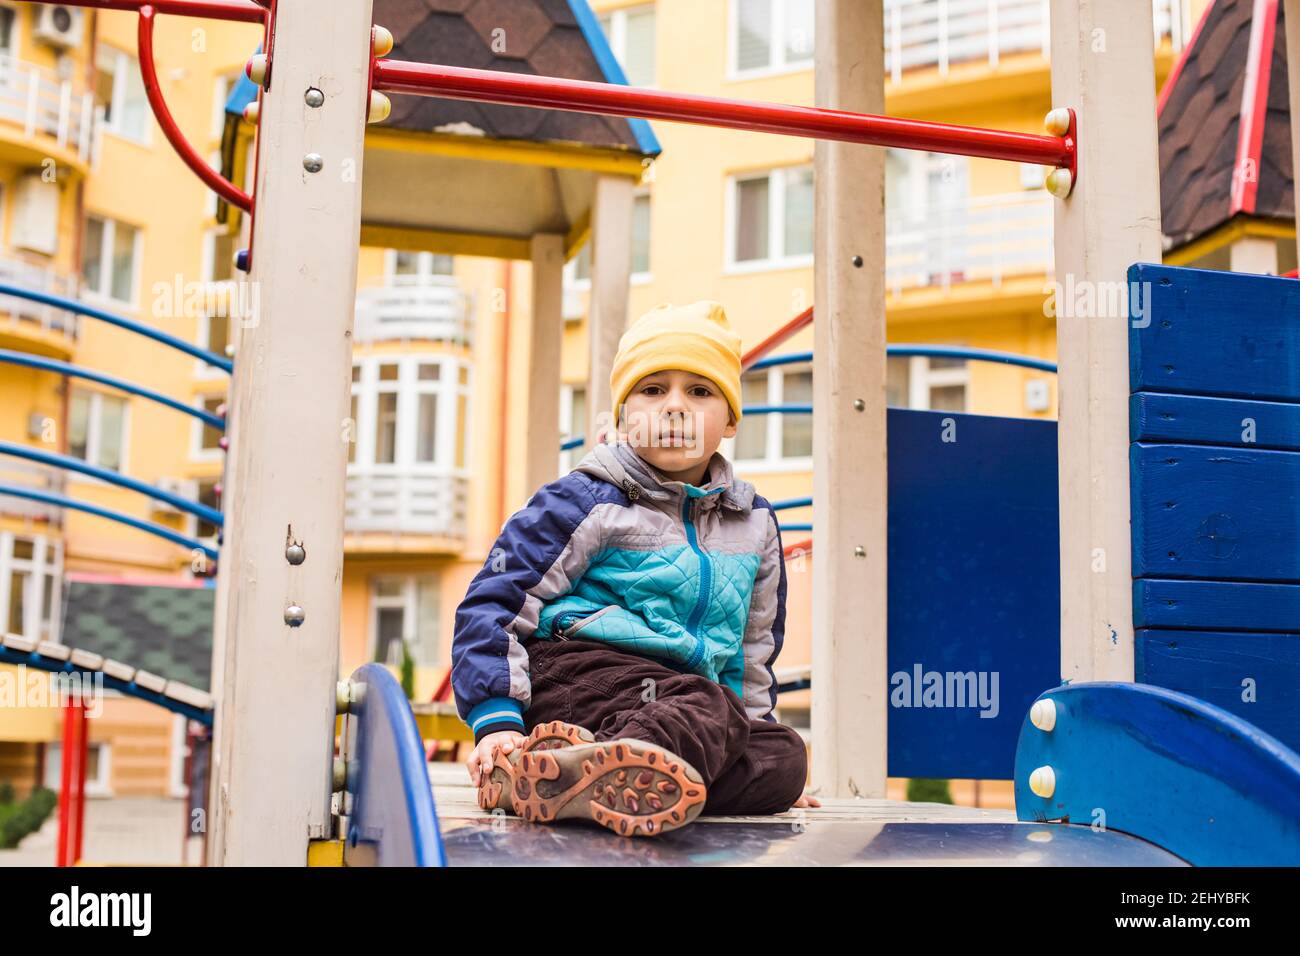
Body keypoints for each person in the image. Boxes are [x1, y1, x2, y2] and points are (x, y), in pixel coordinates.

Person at [451, 300, 818, 838]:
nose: (674, 408)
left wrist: (751, 730)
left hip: (684, 707)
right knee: (704, 703)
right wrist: (496, 720)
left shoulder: (754, 523)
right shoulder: (585, 501)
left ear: (732, 419)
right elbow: (496, 601)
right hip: (574, 674)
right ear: (622, 414)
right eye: (652, 390)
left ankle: (574, 777)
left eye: (699, 391)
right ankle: (596, 763)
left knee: (783, 756)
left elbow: (752, 650)